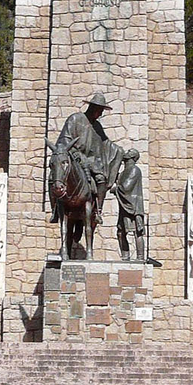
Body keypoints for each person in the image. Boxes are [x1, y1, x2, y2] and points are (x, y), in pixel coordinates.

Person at [53, 93, 125, 224]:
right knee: (56, 175)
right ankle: (56, 210)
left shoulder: (97, 126)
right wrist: (76, 154)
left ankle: (98, 211)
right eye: (100, 110)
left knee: (101, 178)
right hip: (74, 158)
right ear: (93, 108)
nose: (101, 114)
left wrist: (120, 152)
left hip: (91, 161)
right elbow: (64, 141)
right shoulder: (75, 119)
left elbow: (106, 144)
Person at [113, 149, 145, 261]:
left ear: (132, 157)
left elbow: (126, 188)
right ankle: (125, 255)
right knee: (121, 232)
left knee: (137, 231)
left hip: (133, 206)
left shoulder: (134, 170)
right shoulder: (123, 172)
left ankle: (140, 257)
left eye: (129, 152)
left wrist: (115, 189)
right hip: (124, 206)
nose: (125, 154)